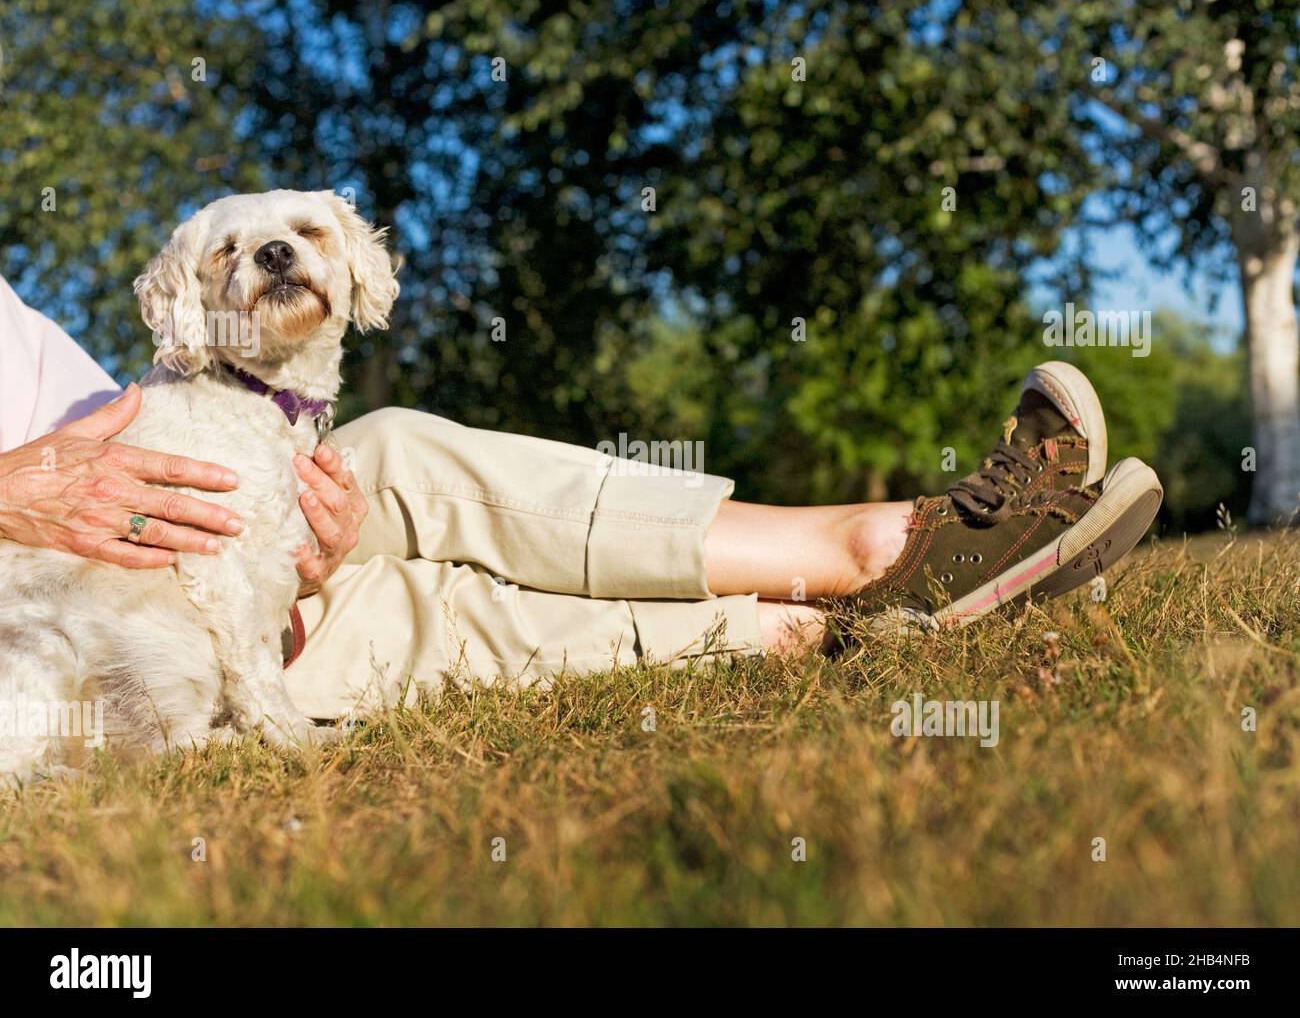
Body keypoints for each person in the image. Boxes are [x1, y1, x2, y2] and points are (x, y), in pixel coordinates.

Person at [0, 274, 1161, 718]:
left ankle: (882, 551)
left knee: (393, 454)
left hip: (201, 556)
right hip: (100, 646)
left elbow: (135, 428)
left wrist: (262, 528)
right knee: (435, 615)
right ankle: (848, 606)